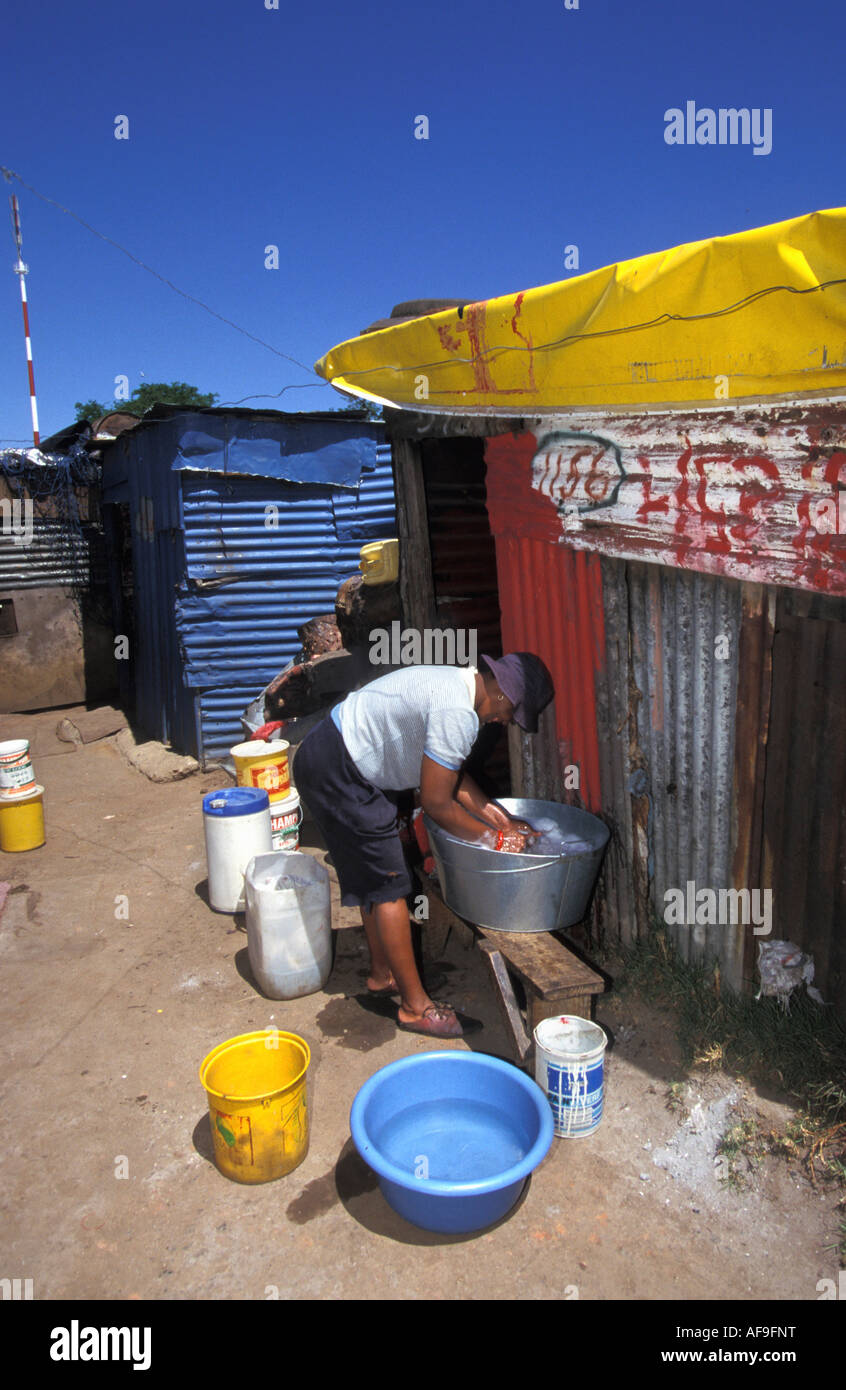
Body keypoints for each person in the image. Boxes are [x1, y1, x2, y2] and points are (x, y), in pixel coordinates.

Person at [293, 651, 555, 1038]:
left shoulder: (457, 688)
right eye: (511, 713)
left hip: (339, 757)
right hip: (339, 770)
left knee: (376, 877)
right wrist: (495, 839)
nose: (505, 723)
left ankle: (383, 976)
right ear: (502, 692)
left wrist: (504, 820)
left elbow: (451, 777)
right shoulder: (458, 713)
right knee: (391, 888)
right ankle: (415, 1008)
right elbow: (436, 803)